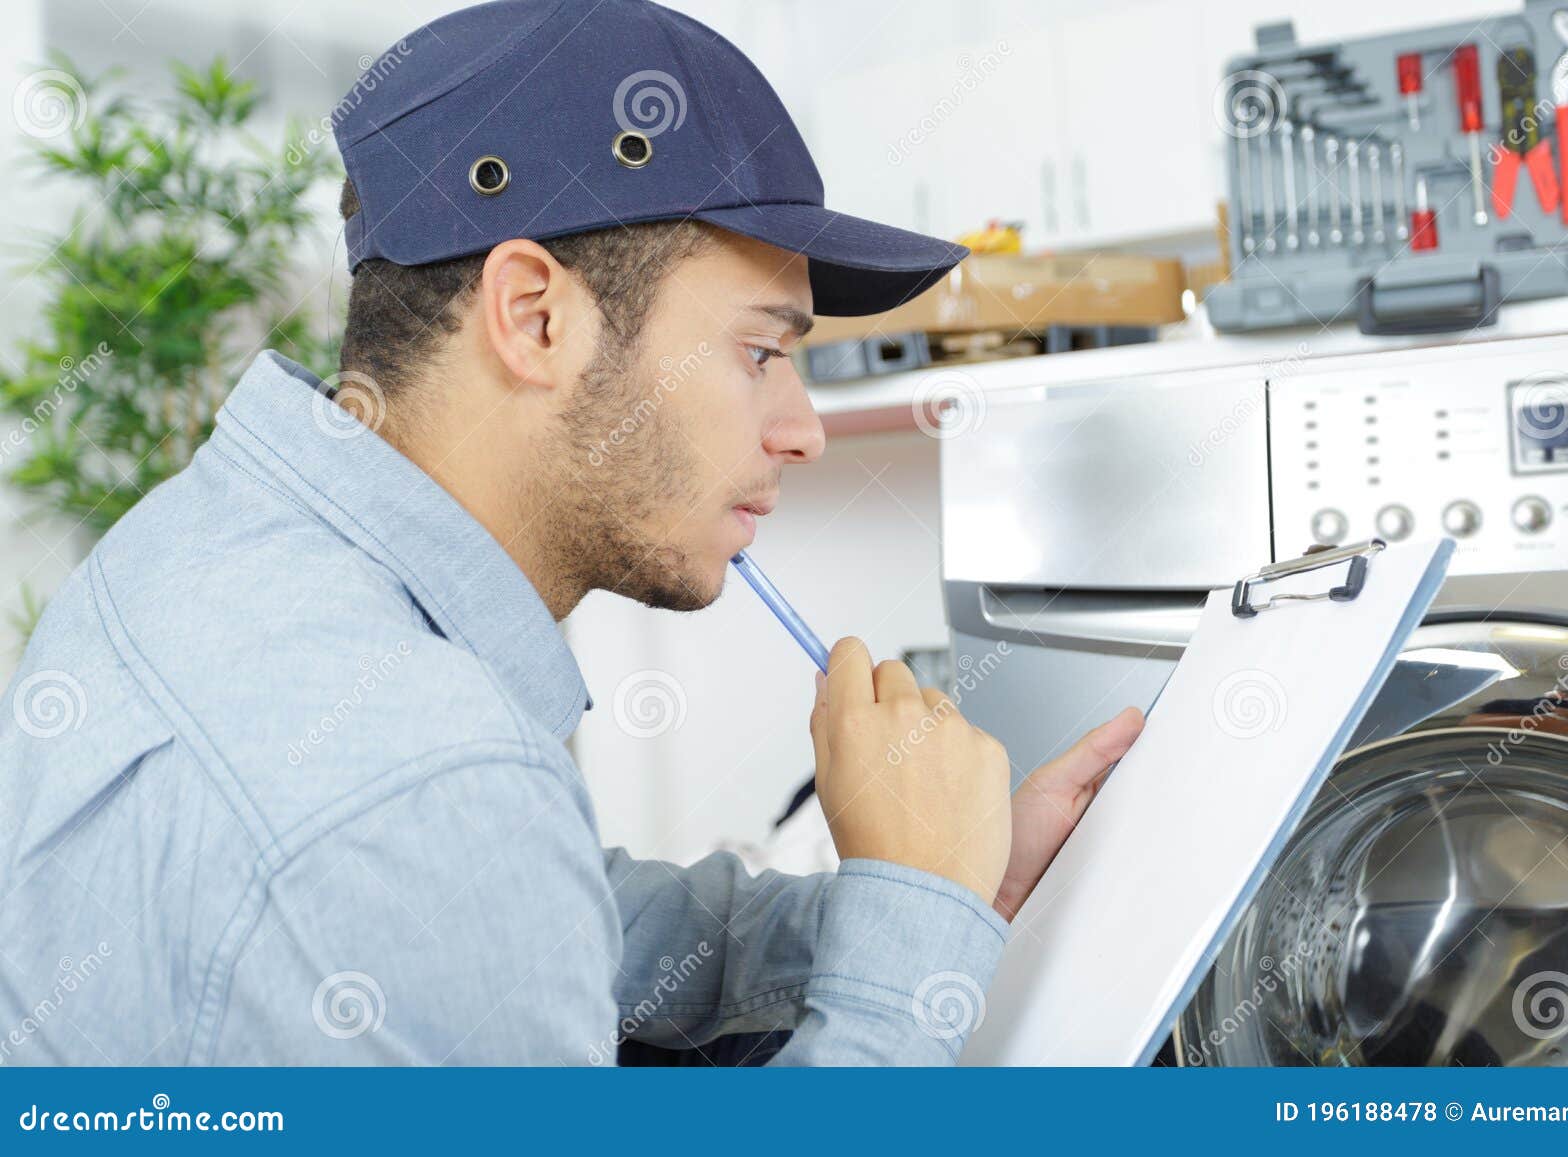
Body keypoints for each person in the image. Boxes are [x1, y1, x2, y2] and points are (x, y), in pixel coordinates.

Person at [0, 0, 1141, 1065]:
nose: (802, 431)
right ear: (535, 317)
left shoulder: (216, 549)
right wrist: (906, 959)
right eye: (759, 351)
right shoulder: (418, 783)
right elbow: (435, 838)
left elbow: (532, 910)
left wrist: (930, 887)